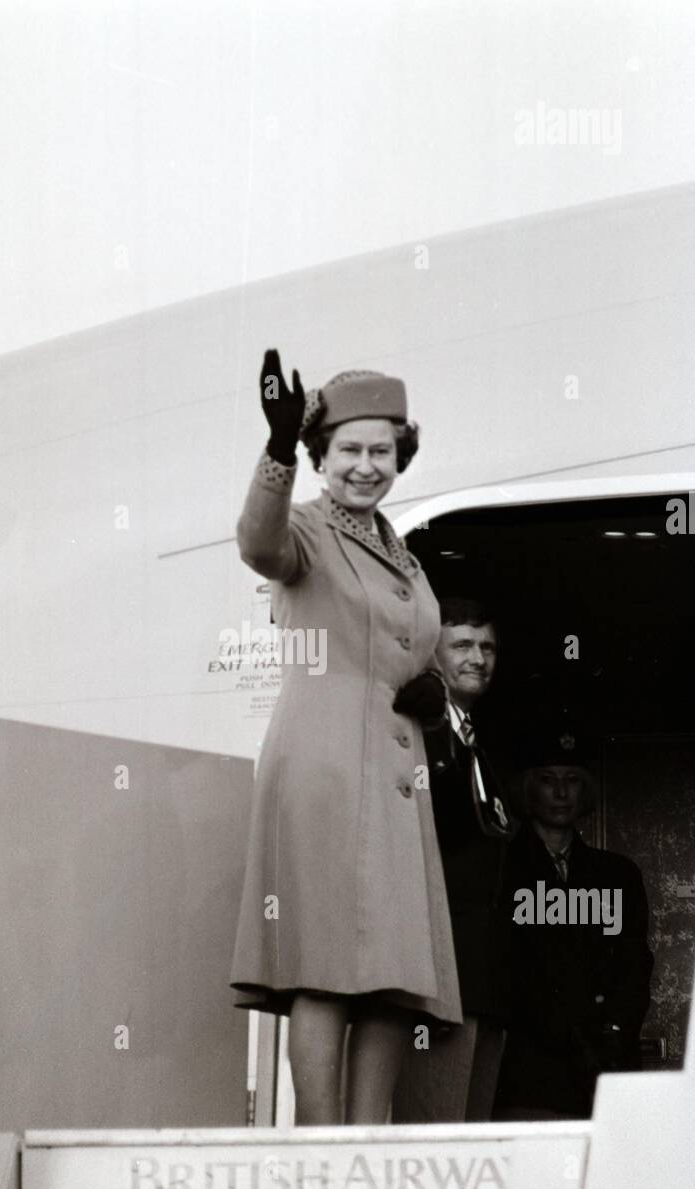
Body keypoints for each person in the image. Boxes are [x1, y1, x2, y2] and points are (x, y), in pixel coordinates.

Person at [230, 349, 461, 1125]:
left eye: (381, 452)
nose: (366, 467)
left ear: (401, 457)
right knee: (324, 969)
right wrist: (272, 452)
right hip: (324, 771)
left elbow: (399, 648)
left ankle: (367, 1148)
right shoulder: (304, 529)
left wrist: (432, 698)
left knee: (395, 974)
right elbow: (258, 546)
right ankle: (319, 1152)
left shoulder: (401, 550)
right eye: (349, 451)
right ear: (319, 458)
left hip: (395, 780)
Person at [393, 598, 514, 1123]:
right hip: (438, 981)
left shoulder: (476, 743)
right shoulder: (425, 728)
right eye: (462, 645)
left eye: (487, 647)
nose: (478, 658)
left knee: (471, 1130)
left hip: (483, 981)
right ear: (432, 653)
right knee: (434, 1134)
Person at [493, 728, 654, 1120]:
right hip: (531, 1071)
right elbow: (504, 970)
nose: (562, 793)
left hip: (608, 1068)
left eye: (573, 781)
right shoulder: (499, 868)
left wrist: (615, 1033)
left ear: (586, 791)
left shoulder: (618, 873)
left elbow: (635, 963)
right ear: (529, 788)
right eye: (549, 780)